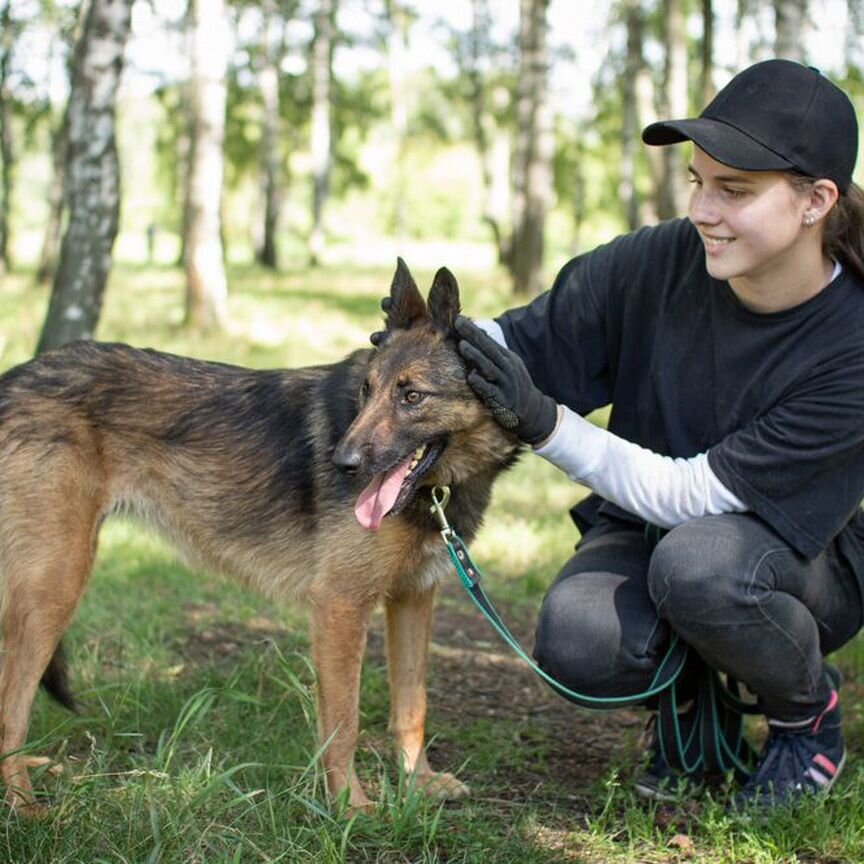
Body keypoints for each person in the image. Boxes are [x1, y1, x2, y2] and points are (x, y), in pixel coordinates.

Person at [449, 59, 864, 810]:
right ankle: (688, 701)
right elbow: (516, 342)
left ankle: (807, 715)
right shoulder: (659, 261)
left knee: (699, 566)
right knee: (579, 642)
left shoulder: (854, 343)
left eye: (733, 190)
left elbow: (692, 494)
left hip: (801, 560)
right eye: (698, 181)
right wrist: (431, 338)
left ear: (816, 201)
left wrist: (546, 425)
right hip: (650, 532)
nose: (703, 209)